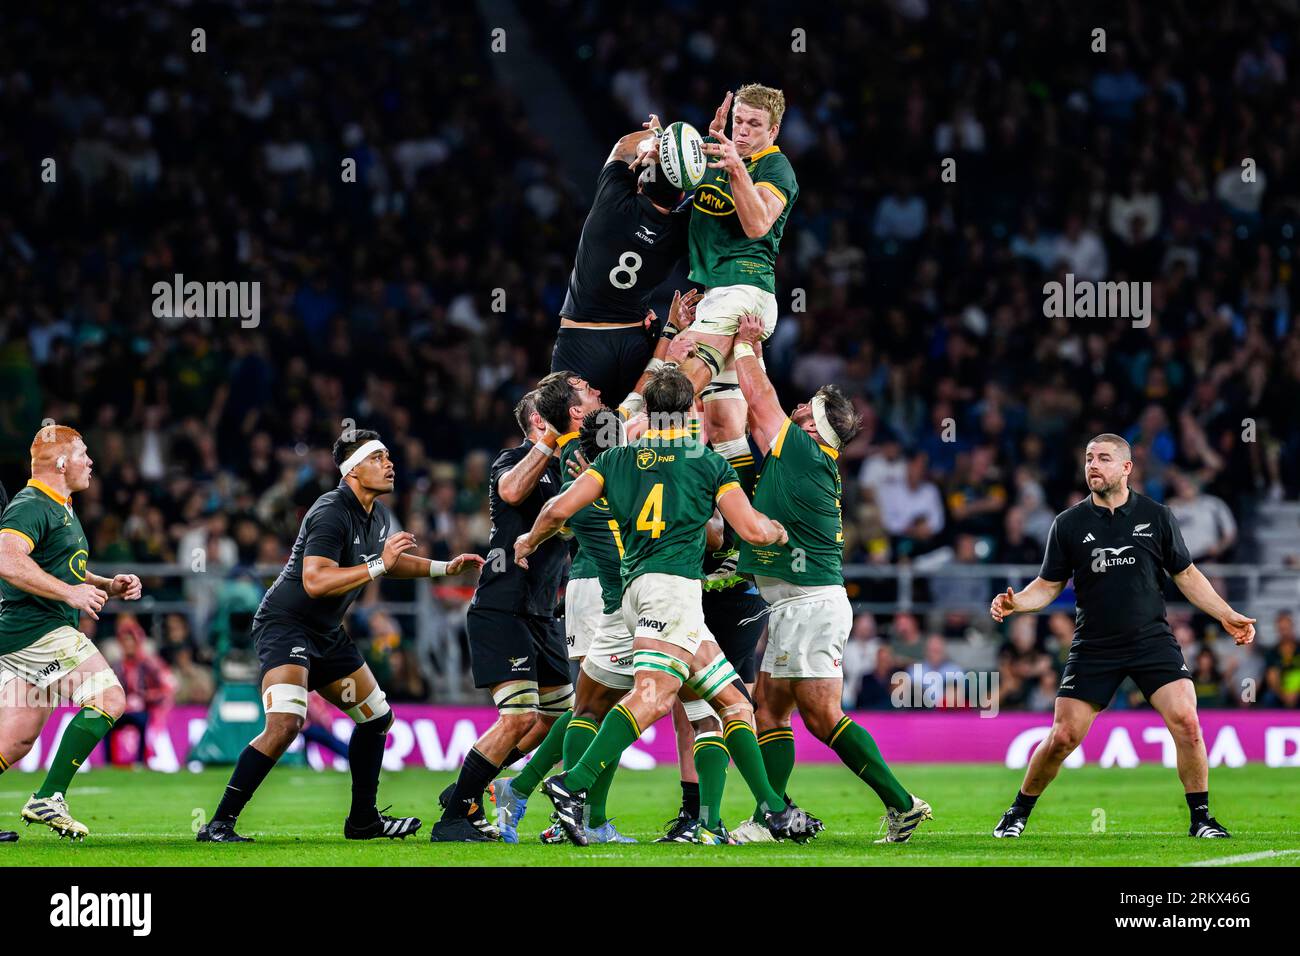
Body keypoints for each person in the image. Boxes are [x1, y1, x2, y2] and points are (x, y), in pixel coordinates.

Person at [516, 366, 817, 846]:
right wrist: (780, 531)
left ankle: (774, 810)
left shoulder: (615, 458)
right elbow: (751, 531)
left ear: (651, 413)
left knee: (733, 702)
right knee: (654, 696)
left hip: (633, 592)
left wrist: (528, 541)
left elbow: (555, 510)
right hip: (672, 590)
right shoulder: (706, 461)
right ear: (692, 409)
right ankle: (572, 786)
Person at [196, 429, 484, 843]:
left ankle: (363, 821)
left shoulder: (377, 515)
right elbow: (315, 580)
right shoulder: (330, 510)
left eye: (389, 457)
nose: (390, 464)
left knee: (377, 719)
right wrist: (379, 566)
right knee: (286, 723)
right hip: (286, 625)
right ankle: (220, 823)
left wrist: (443, 568)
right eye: (379, 457)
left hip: (327, 633)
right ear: (353, 470)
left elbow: (390, 563)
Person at [728, 314, 932, 844]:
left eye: (806, 409)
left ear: (815, 425)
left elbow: (759, 403)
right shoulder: (807, 453)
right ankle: (771, 813)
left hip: (810, 605)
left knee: (820, 717)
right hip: (796, 603)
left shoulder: (801, 449)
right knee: (769, 708)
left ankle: (902, 803)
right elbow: (762, 414)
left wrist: (746, 344)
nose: (797, 409)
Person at [990, 433, 1256, 839]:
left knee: (1187, 720)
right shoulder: (1068, 524)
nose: (1093, 466)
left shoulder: (1158, 516)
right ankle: (1017, 811)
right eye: (1088, 458)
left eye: (1103, 459)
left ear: (1126, 468)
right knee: (1063, 737)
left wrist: (1226, 614)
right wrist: (1017, 603)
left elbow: (1186, 575)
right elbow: (1047, 585)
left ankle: (1202, 819)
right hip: (1095, 644)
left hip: (1151, 639)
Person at [430, 383, 590, 841]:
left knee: (560, 716)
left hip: (541, 614)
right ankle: (455, 816)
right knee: (519, 717)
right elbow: (512, 491)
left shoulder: (569, 468)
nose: (574, 414)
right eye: (563, 410)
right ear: (540, 420)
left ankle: (465, 787)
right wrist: (548, 442)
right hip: (501, 606)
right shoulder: (512, 461)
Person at [0, 425, 142, 840]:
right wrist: (70, 594)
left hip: (30, 632)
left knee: (16, 739)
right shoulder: (31, 505)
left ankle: (47, 796)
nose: (90, 461)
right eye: (83, 454)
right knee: (109, 698)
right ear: (61, 463)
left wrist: (104, 585)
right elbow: (6, 559)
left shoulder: (59, 506)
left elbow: (62, 570)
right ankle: (49, 798)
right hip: (38, 629)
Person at [664, 85, 800, 499]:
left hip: (745, 289)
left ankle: (665, 495)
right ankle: (735, 544)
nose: (742, 131)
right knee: (725, 430)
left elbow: (758, 224)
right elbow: (676, 173)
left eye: (754, 125)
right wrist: (665, 146)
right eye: (738, 121)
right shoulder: (715, 151)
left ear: (772, 131)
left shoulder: (776, 169)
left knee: (673, 391)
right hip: (716, 293)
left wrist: (737, 167)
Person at [550, 118, 692, 403]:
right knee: (634, 429)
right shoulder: (680, 230)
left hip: (583, 340)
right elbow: (706, 192)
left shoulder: (612, 203)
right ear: (680, 196)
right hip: (635, 343)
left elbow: (622, 148)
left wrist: (657, 136)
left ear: (640, 180)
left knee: (573, 435)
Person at [103, 615, 175, 767]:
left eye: (131, 641)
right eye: (125, 641)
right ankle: (109, 763)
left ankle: (141, 761)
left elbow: (167, 687)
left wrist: (145, 698)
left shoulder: (150, 665)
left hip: (144, 710)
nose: (128, 645)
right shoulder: (116, 666)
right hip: (121, 710)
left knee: (142, 721)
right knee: (105, 722)